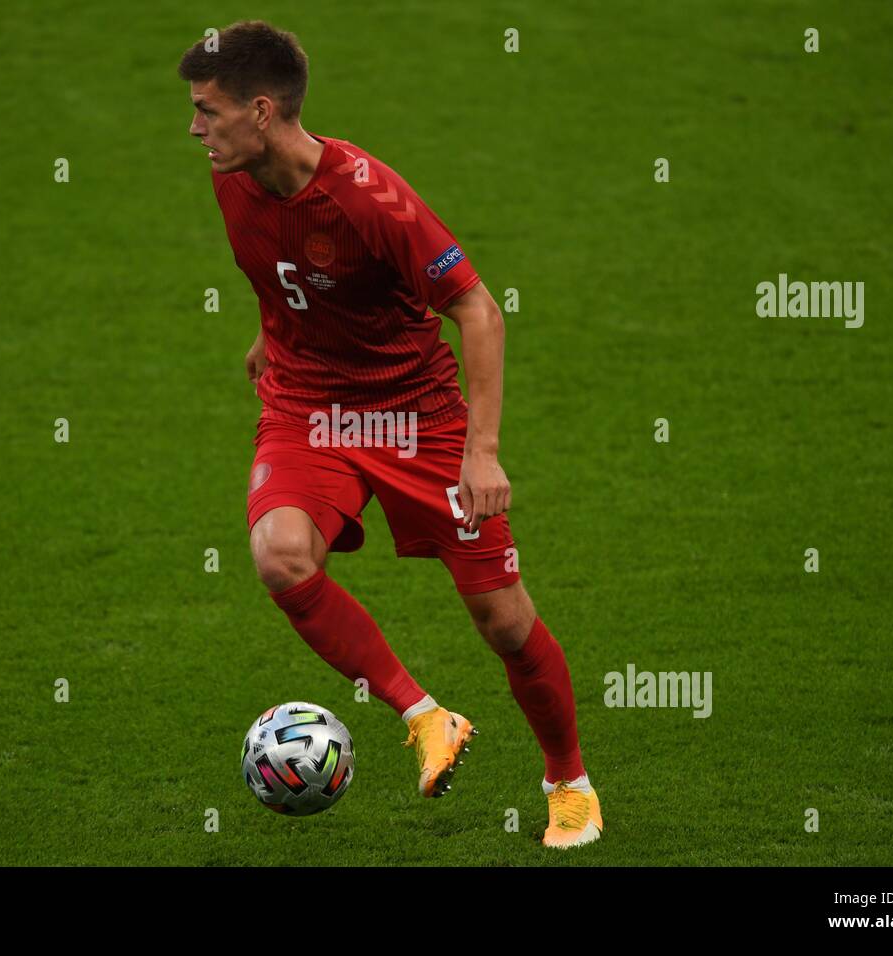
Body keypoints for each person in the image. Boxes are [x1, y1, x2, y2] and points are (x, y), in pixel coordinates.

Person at [179, 20, 602, 847]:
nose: (195, 127)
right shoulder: (232, 176)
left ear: (261, 112)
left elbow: (477, 308)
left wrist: (480, 452)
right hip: (309, 407)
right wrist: (275, 334)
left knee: (504, 623)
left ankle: (569, 781)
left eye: (207, 110)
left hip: (418, 418)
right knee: (280, 556)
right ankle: (424, 715)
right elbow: (286, 267)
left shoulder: (370, 197)